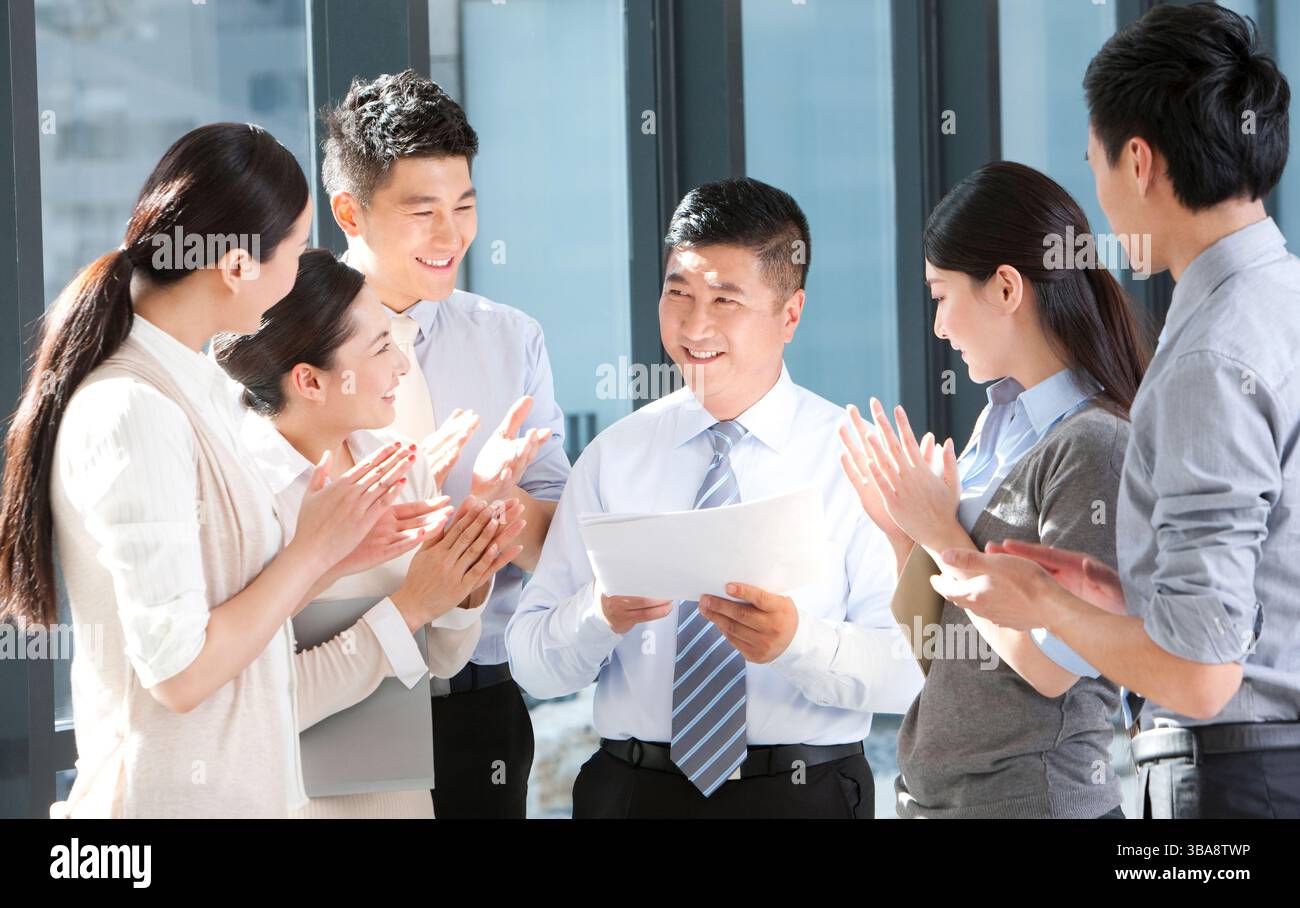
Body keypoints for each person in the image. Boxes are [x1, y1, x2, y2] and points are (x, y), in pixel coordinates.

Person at [932, 3, 1300, 818]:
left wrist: (1043, 605)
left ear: (1138, 162)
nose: (1095, 199)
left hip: (1237, 780)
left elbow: (1202, 676)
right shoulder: (1281, 304)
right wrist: (1116, 591)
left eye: (1093, 165)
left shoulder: (1211, 354)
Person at [0, 123, 415, 817]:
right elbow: (179, 672)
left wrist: (327, 556)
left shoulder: (197, 391)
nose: (305, 264)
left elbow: (220, 596)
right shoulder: (134, 409)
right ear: (235, 266)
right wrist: (310, 550)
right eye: (297, 245)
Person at [506, 177, 923, 818]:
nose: (695, 325)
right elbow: (533, 665)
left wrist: (794, 643)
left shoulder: (856, 462)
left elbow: (909, 671)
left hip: (801, 796)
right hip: (634, 793)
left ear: (790, 314)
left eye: (726, 300)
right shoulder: (614, 459)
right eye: (679, 293)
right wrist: (601, 612)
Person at [841, 161, 1152, 818]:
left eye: (940, 295)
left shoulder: (1093, 445)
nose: (938, 327)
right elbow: (944, 653)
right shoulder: (996, 424)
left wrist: (940, 533)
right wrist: (904, 538)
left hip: (1033, 800)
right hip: (946, 799)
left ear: (1006, 287)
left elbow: (1052, 667)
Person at [319, 70, 569, 818]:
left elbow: (561, 537)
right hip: (340, 695)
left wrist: (493, 505)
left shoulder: (509, 338)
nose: (451, 235)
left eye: (463, 206)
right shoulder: (284, 345)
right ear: (349, 213)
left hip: (477, 706)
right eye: (421, 211)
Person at [213, 248, 527, 817]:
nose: (403, 368)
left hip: (401, 799)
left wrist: (464, 583)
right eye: (382, 347)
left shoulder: (400, 466)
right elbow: (254, 703)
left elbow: (439, 666)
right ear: (309, 380)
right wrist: (407, 606)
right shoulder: (239, 496)